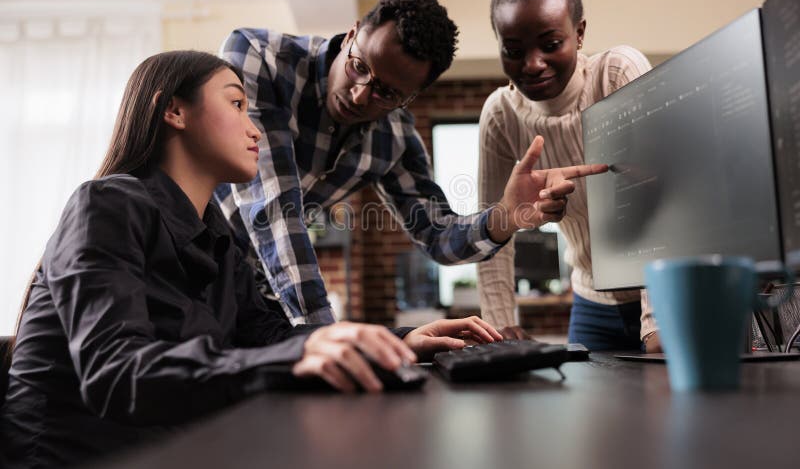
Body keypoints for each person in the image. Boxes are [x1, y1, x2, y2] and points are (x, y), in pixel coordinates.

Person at [0, 51, 507, 468]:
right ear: (174, 110)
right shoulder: (104, 207)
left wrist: (396, 343)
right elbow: (116, 374)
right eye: (237, 104)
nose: (256, 130)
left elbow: (267, 336)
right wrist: (296, 359)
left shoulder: (217, 235)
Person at [214, 0, 606, 325]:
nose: (360, 95)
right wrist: (324, 334)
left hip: (257, 297)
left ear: (410, 97)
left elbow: (437, 235)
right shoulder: (261, 59)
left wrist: (505, 215)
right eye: (358, 67)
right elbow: (274, 210)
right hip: (190, 263)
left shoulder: (394, 138)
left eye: (387, 93)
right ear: (352, 34)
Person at [476, 0, 661, 351]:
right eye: (513, 50)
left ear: (578, 33)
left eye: (550, 44)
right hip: (591, 304)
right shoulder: (501, 115)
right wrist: (500, 326)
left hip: (663, 290)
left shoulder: (615, 74)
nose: (532, 64)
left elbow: (656, 199)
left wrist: (657, 319)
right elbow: (493, 228)